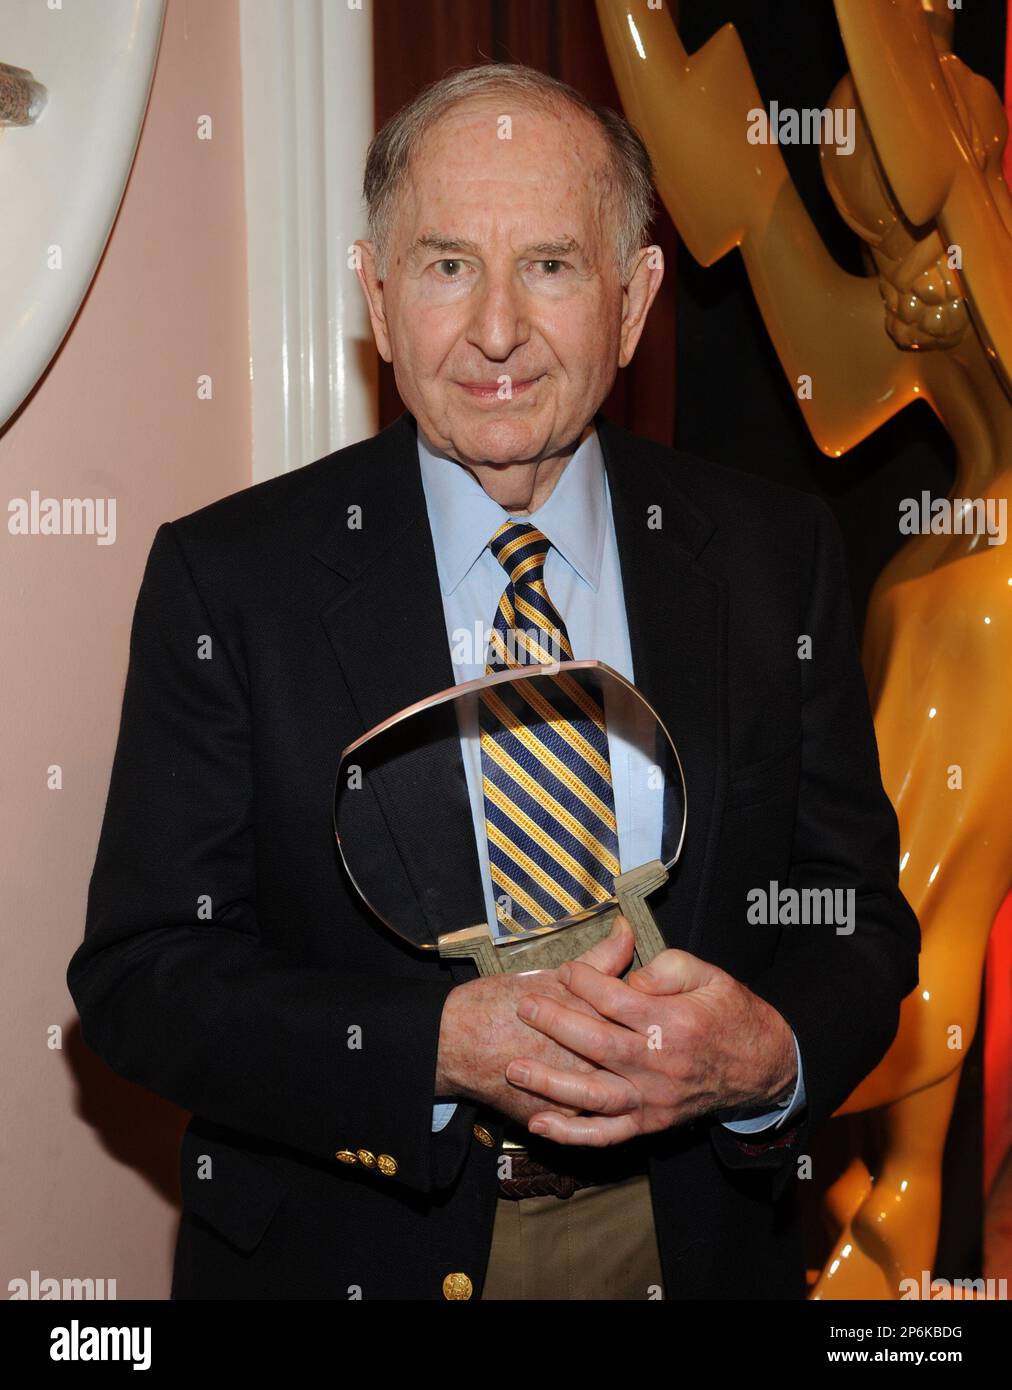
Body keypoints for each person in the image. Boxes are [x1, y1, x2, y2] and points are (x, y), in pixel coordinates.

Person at [67, 62, 920, 1301]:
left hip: (693, 1247)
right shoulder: (229, 581)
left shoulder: (770, 558)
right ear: (374, 293)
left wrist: (768, 1054)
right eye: (447, 263)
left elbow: (856, 918)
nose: (498, 330)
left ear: (633, 304)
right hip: (350, 1253)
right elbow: (144, 976)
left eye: (554, 266)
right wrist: (431, 1046)